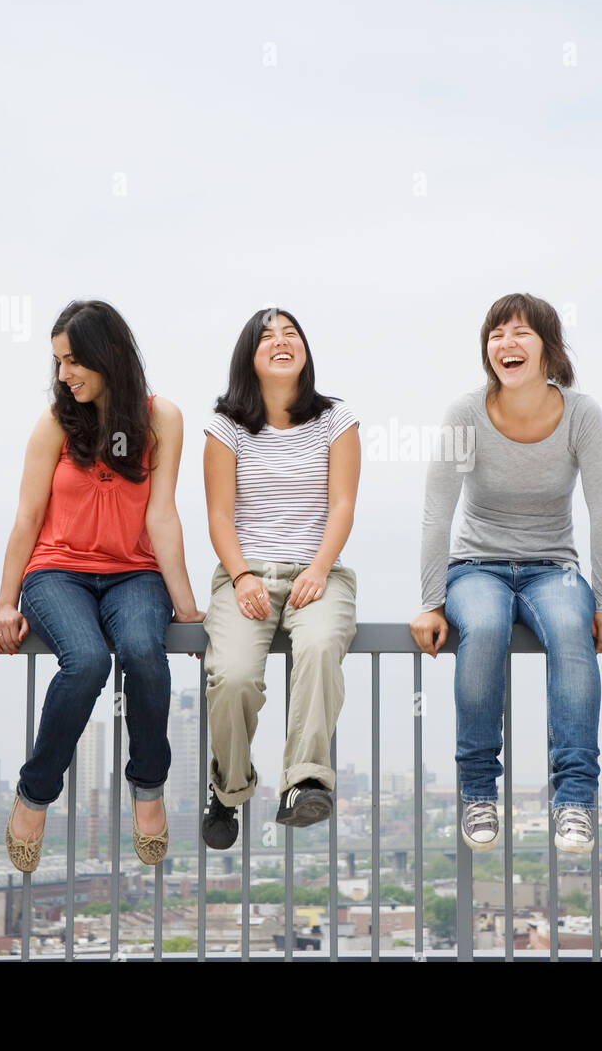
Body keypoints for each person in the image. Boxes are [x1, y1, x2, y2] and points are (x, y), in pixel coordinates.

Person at [0, 301, 202, 872]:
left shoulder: (163, 419)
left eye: (73, 361)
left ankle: (148, 786)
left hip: (134, 573)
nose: (63, 375)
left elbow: (162, 515)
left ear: (107, 355)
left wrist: (186, 607)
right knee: (85, 661)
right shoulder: (55, 422)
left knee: (143, 653)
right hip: (57, 572)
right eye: (57, 363)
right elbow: (27, 518)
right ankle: (36, 794)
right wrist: (4, 602)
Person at [411, 293, 602, 856]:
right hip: (476, 566)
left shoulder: (582, 414)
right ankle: (478, 791)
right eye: (497, 333)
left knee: (572, 634)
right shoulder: (466, 413)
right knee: (483, 631)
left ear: (549, 349)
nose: (507, 343)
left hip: (553, 567)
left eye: (522, 333)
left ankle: (575, 799)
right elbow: (438, 511)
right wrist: (432, 600)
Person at [199, 308, 360, 851]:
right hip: (246, 575)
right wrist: (242, 576)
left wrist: (317, 569)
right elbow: (220, 515)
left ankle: (306, 781)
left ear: (305, 351)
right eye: (267, 336)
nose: (281, 341)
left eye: (291, 333)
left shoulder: (336, 419)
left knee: (317, 647)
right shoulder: (225, 427)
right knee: (235, 676)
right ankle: (228, 789)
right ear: (250, 356)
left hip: (320, 572)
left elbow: (342, 505)